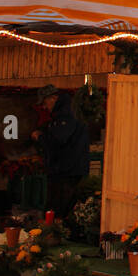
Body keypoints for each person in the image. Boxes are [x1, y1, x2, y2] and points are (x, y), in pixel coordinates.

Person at [32, 85, 89, 220]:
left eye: (45, 103)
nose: (45, 107)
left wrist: (40, 137)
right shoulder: (68, 112)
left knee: (58, 208)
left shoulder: (66, 114)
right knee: (61, 207)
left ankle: (54, 234)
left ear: (53, 98)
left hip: (66, 170)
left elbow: (58, 141)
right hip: (70, 168)